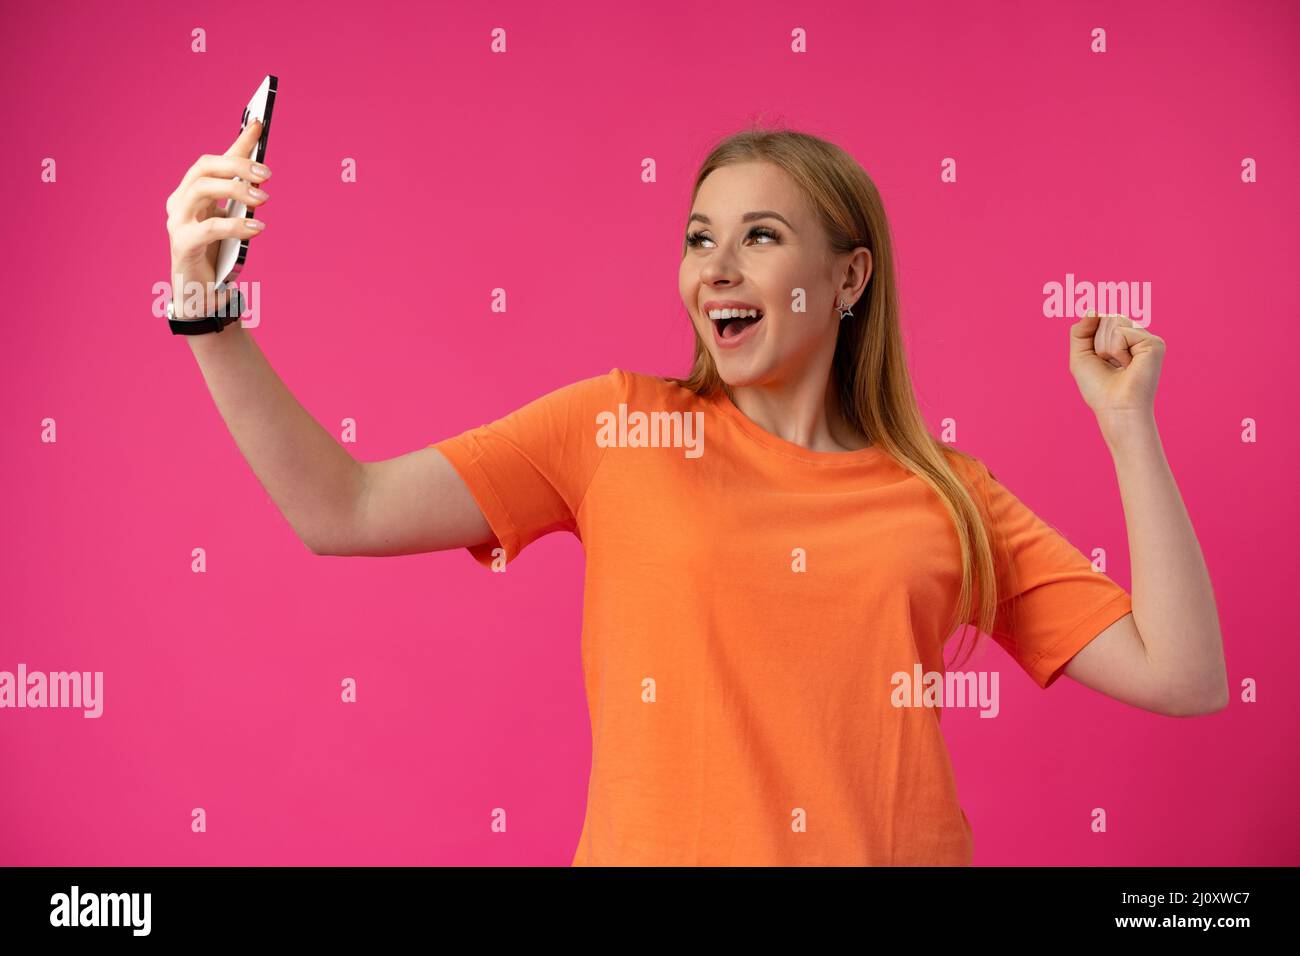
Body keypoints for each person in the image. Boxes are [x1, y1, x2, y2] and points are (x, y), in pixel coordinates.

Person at [165, 120, 1228, 866]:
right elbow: (339, 508)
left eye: (758, 237)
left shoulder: (946, 494)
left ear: (848, 279)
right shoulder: (613, 428)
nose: (714, 267)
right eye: (697, 238)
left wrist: (1126, 425)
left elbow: (1181, 675)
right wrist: (206, 310)